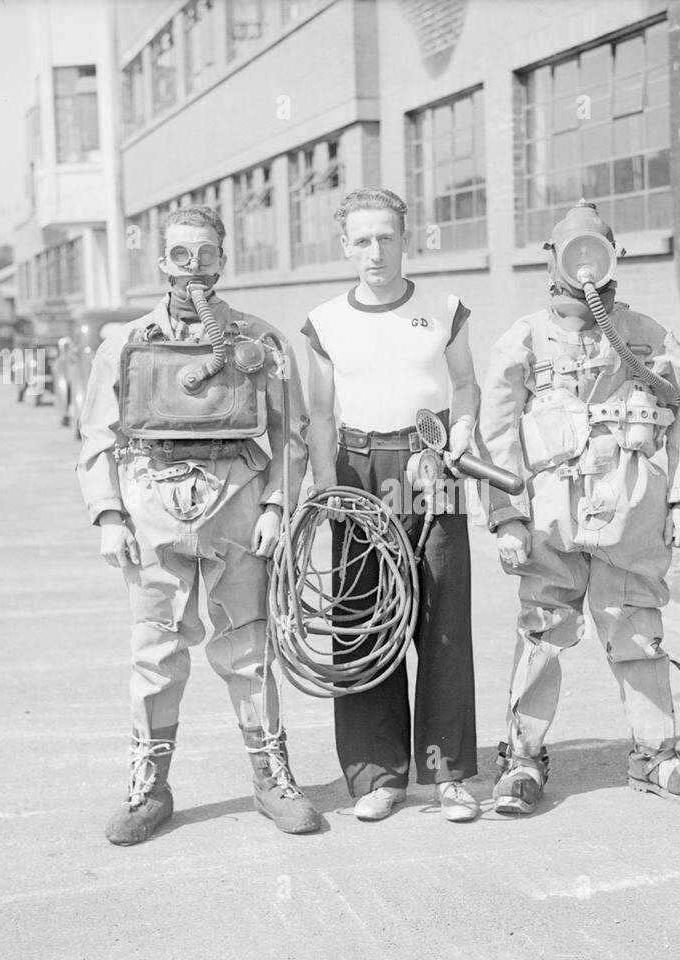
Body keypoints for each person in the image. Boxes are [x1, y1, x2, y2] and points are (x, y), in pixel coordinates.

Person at [77, 204, 320, 845]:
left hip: (237, 501)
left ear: (223, 260)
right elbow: (98, 436)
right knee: (155, 651)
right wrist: (108, 515)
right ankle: (147, 788)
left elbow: (291, 434)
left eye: (205, 254)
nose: (192, 267)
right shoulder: (125, 344)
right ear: (161, 261)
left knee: (250, 647)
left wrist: (275, 506)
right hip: (152, 505)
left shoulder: (260, 343)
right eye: (180, 255)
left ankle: (273, 778)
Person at [479, 199, 680, 815]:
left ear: (615, 259)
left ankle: (657, 756)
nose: (586, 266)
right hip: (551, 520)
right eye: (574, 253)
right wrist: (508, 515)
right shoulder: (525, 339)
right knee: (541, 635)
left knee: (637, 630)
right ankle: (523, 760)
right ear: (552, 260)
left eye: (598, 252)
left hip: (632, 519)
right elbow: (496, 433)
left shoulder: (647, 336)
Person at [301, 187, 481, 823]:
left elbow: (465, 386)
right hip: (357, 469)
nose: (375, 251)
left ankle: (447, 775)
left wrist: (457, 440)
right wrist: (327, 487)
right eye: (362, 240)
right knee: (362, 622)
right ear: (345, 245)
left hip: (430, 465)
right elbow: (319, 413)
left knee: (443, 614)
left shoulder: (444, 309)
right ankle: (378, 776)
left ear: (407, 238)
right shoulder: (325, 322)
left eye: (386, 237)